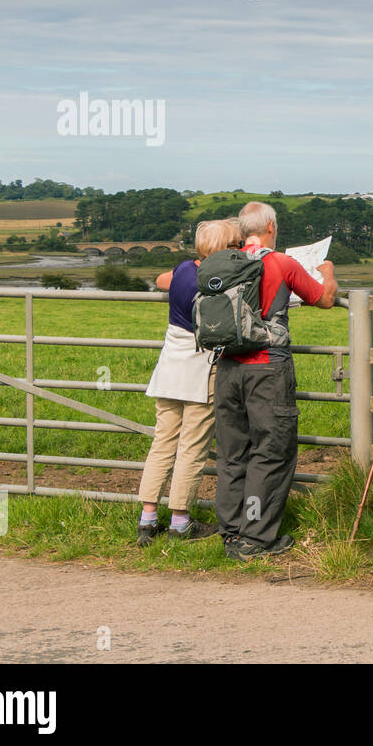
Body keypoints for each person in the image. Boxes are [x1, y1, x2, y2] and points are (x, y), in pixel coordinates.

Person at [215, 201, 336, 560]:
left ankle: (232, 532)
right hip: (268, 366)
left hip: (226, 367)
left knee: (233, 453)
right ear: (270, 226)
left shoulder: (222, 263)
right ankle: (255, 539)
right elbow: (324, 299)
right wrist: (327, 272)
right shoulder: (281, 262)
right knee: (271, 451)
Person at [136, 218, 242, 546]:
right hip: (200, 367)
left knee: (163, 441)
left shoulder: (183, 270)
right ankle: (180, 521)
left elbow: (161, 280)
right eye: (236, 245)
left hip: (169, 366)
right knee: (192, 446)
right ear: (225, 249)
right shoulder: (221, 277)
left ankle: (148, 518)